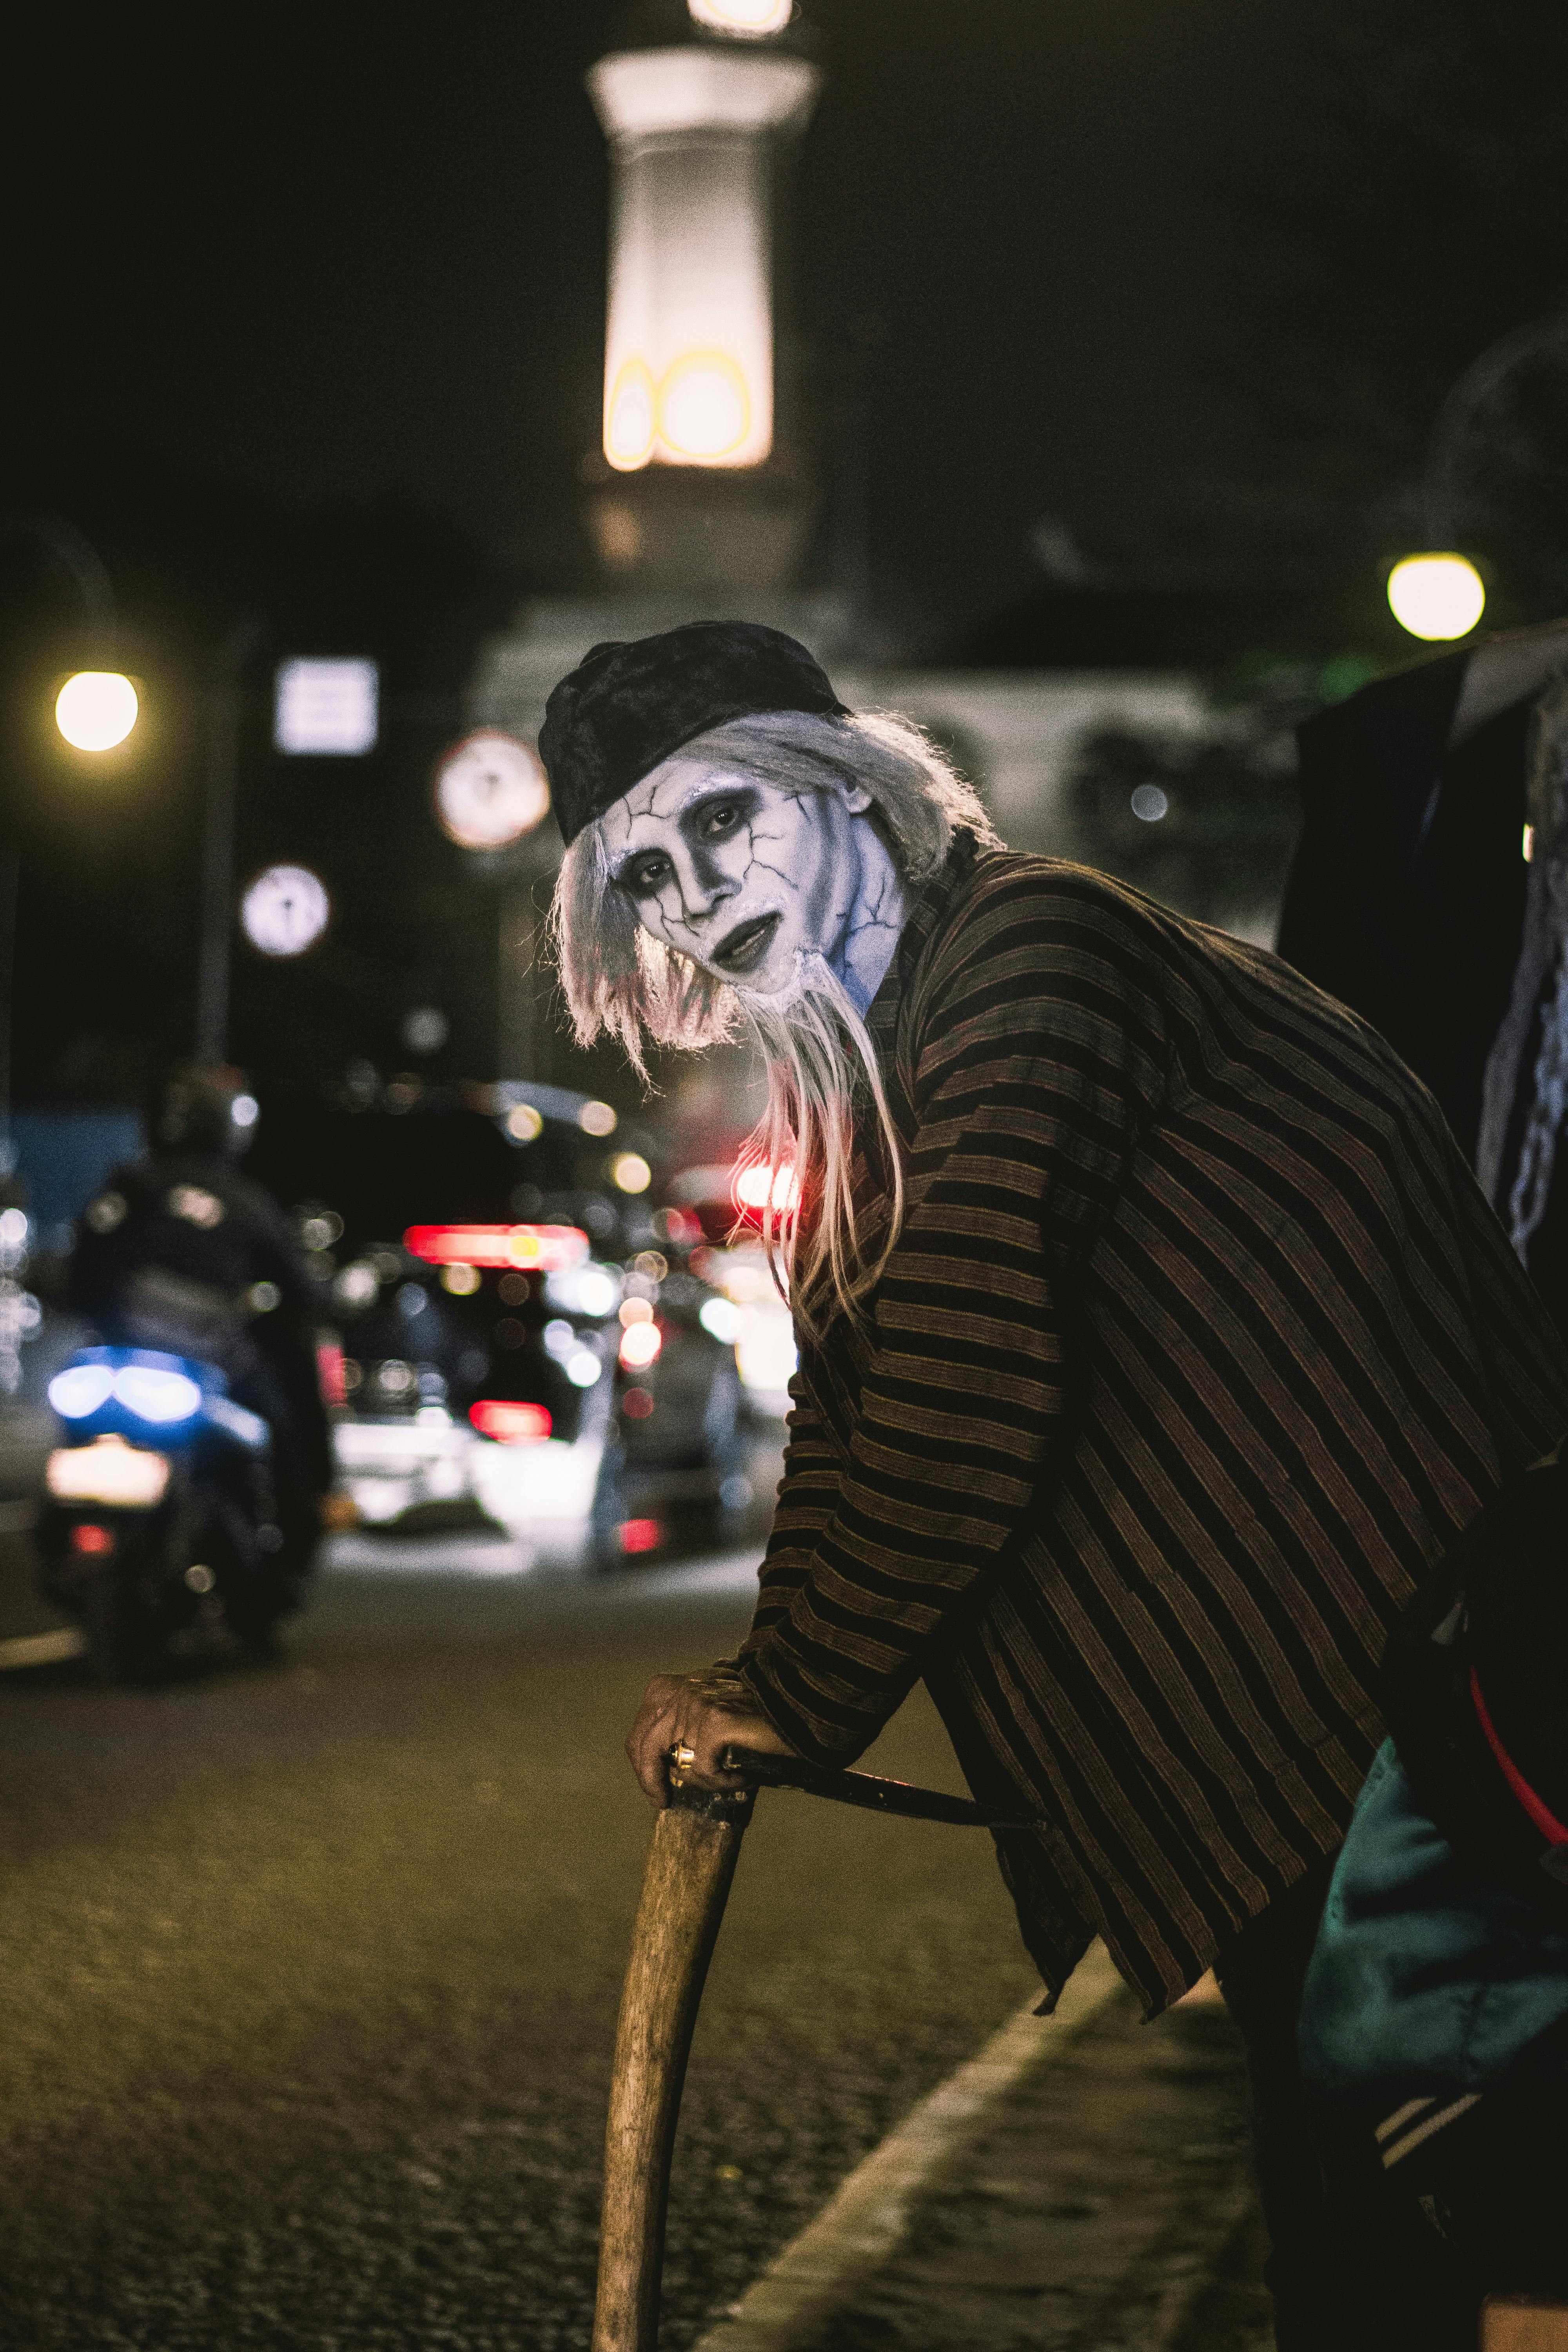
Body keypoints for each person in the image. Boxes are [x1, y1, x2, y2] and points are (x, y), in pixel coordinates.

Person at [541, 620, 1568, 2350]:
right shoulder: (881, 1060)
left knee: (1419, 2248)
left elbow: (967, 1362)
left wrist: (796, 1692)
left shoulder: (1030, 952)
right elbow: (854, 1415)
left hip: (1412, 1719)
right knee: (1364, 2242)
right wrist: (761, 1679)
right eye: (646, 869)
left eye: (724, 823)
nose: (696, 893)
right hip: (1306, 1744)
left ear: (843, 783)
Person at [69, 1065, 334, 1588]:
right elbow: (301, 1291)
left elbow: (80, 1264)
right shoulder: (245, 1201)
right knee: (285, 1425)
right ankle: (295, 1532)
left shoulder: (130, 1186)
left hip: (122, 1362)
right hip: (196, 1370)